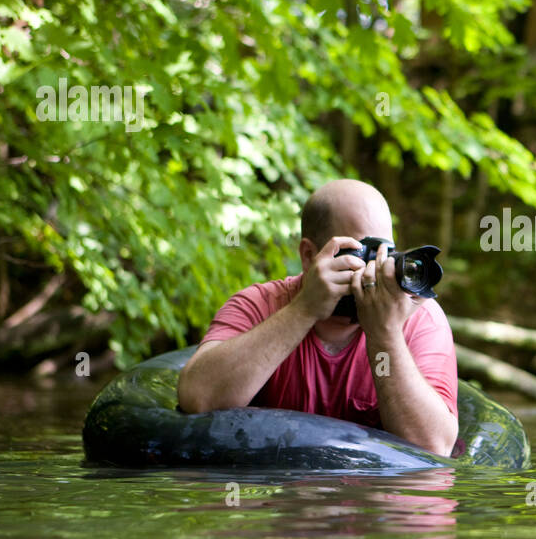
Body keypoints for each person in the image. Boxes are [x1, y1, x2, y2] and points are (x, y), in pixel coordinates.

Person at [177, 179, 459, 457]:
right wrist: (304, 309)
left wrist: (385, 333)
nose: (372, 271)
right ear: (309, 255)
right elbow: (197, 398)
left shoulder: (419, 319)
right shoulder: (259, 305)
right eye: (361, 253)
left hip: (371, 499)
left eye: (383, 254)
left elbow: (433, 448)